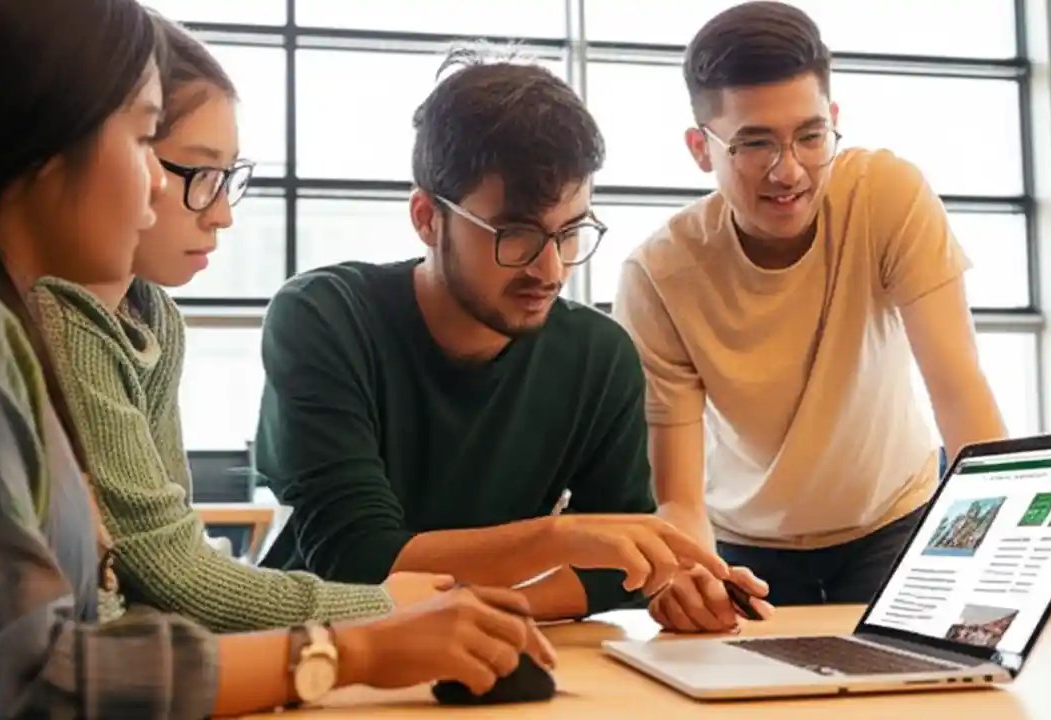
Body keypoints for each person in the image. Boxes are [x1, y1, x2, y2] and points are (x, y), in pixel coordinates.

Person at [0, 1, 552, 716]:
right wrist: (346, 650)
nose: (155, 186)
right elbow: (24, 679)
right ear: (39, 137)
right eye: (142, 137)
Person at [610, 0, 1051, 633]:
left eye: (810, 137)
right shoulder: (659, 275)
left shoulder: (885, 195)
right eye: (755, 143)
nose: (788, 170)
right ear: (702, 148)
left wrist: (1033, 562)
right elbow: (679, 496)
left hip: (896, 523)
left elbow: (958, 389)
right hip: (746, 552)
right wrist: (692, 574)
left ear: (834, 121)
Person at [255, 46, 751, 622]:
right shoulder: (325, 319)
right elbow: (357, 559)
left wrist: (486, 612)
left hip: (495, 649)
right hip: (320, 648)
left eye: (570, 232)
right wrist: (560, 540)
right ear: (426, 217)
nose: (551, 270)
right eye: (516, 235)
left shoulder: (597, 356)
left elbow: (621, 569)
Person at [32, 11, 447, 634]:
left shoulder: (152, 315)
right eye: (201, 176)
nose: (222, 213)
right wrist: (381, 607)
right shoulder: (59, 319)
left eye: (228, 178)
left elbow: (166, 562)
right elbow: (170, 572)